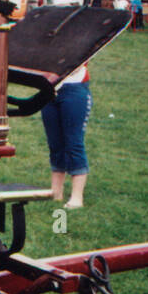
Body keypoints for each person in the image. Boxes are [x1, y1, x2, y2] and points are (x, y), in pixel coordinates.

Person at [42, 63, 92, 208]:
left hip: (75, 89)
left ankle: (77, 197)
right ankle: (56, 192)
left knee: (74, 143)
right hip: (49, 88)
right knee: (55, 144)